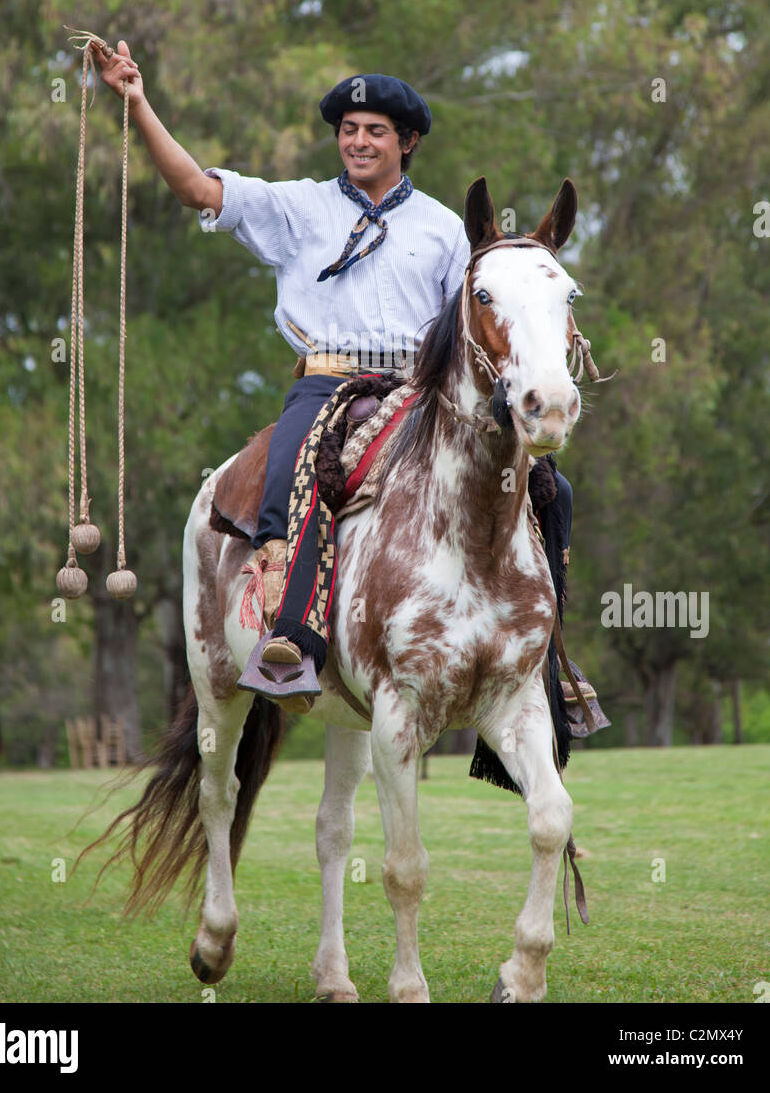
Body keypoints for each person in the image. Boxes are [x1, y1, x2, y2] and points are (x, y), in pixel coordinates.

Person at [94, 44, 574, 711]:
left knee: (552, 485)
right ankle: (289, 643)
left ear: (407, 142)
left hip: (419, 390)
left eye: (374, 131)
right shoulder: (298, 208)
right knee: (292, 471)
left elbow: (473, 326)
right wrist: (138, 104)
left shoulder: (442, 230)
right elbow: (197, 189)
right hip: (327, 384)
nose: (357, 142)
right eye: (348, 131)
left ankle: (547, 657)